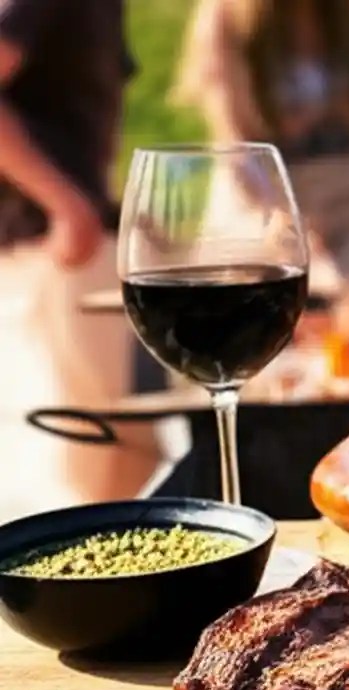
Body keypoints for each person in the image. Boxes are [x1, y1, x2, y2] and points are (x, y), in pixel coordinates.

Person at [0, 0, 159, 521]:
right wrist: (63, 202)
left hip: (80, 233)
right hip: (50, 243)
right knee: (77, 458)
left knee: (129, 455)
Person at [174, 0, 349, 292]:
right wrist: (282, 217)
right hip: (263, 194)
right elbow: (234, 146)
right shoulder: (229, 15)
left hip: (348, 195)